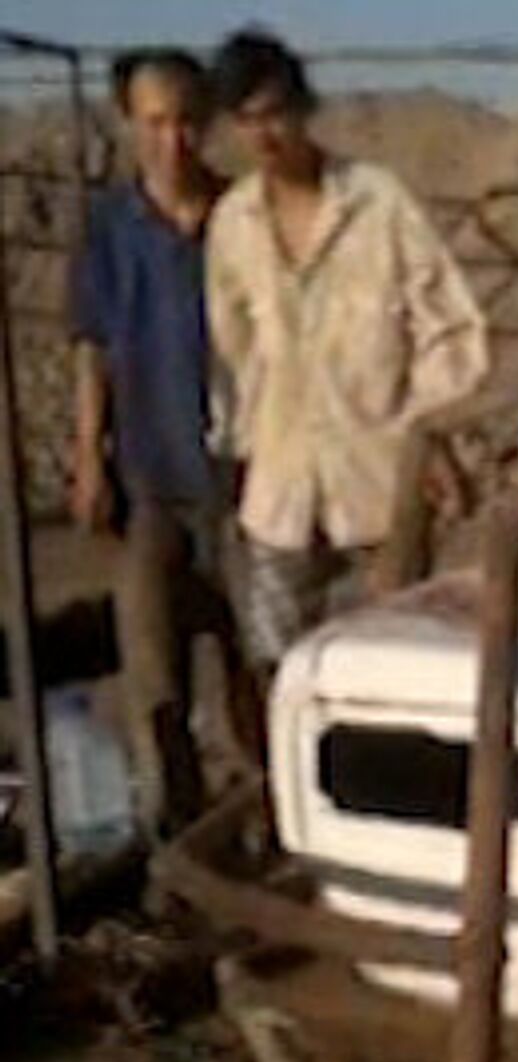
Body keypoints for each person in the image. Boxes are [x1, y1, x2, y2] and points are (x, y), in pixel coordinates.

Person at [204, 29, 487, 676]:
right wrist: (239, 453)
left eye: (275, 113)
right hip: (279, 494)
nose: (265, 135)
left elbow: (449, 327)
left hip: (378, 488)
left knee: (388, 669)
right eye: (246, 121)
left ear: (302, 109)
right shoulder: (234, 224)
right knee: (281, 676)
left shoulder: (377, 203)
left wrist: (432, 435)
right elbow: (231, 354)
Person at [69, 48, 256, 838]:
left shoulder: (241, 216)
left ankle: (267, 832)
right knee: (154, 675)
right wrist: (87, 457)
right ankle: (181, 842)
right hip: (151, 480)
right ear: (130, 125)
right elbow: (94, 344)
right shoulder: (112, 227)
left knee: (255, 666)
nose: (171, 141)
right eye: (154, 123)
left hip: (245, 481)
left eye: (185, 122)